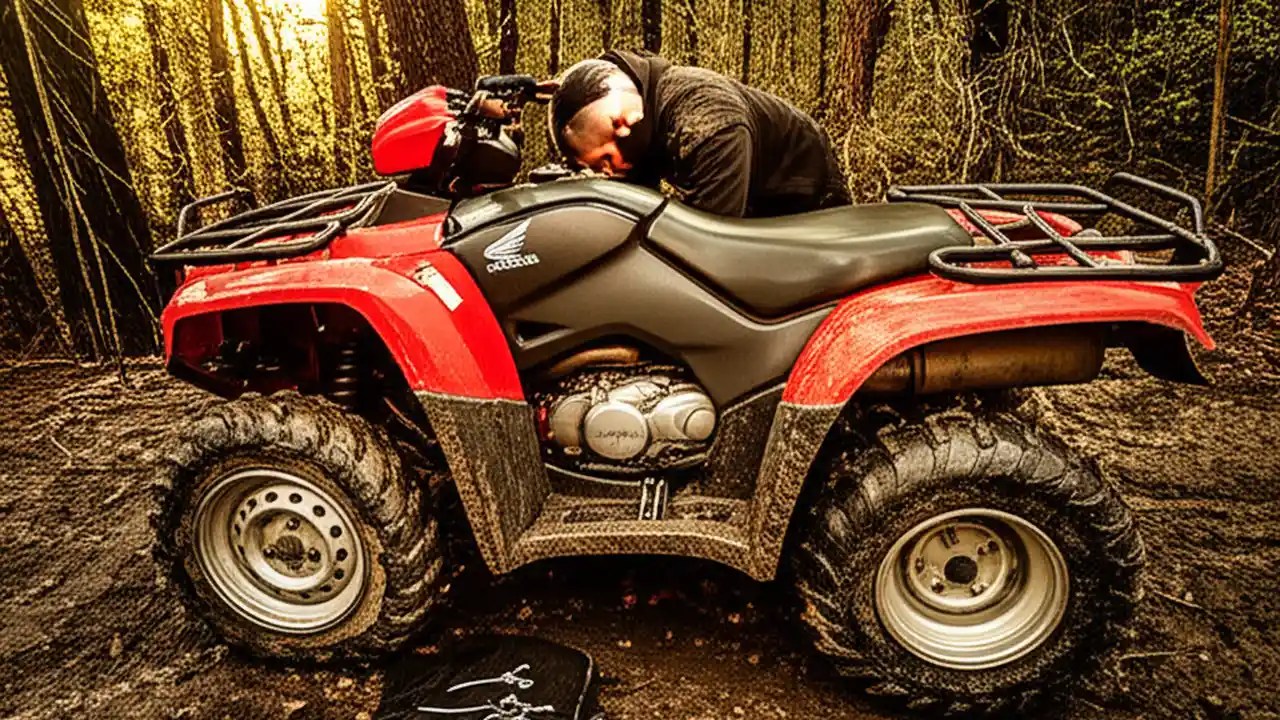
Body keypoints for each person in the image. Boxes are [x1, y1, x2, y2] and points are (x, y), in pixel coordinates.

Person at [546, 50, 851, 218]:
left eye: (605, 160)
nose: (608, 173)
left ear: (624, 126)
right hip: (754, 195)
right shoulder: (642, 108)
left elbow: (712, 240)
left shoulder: (707, 124)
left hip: (805, 198)